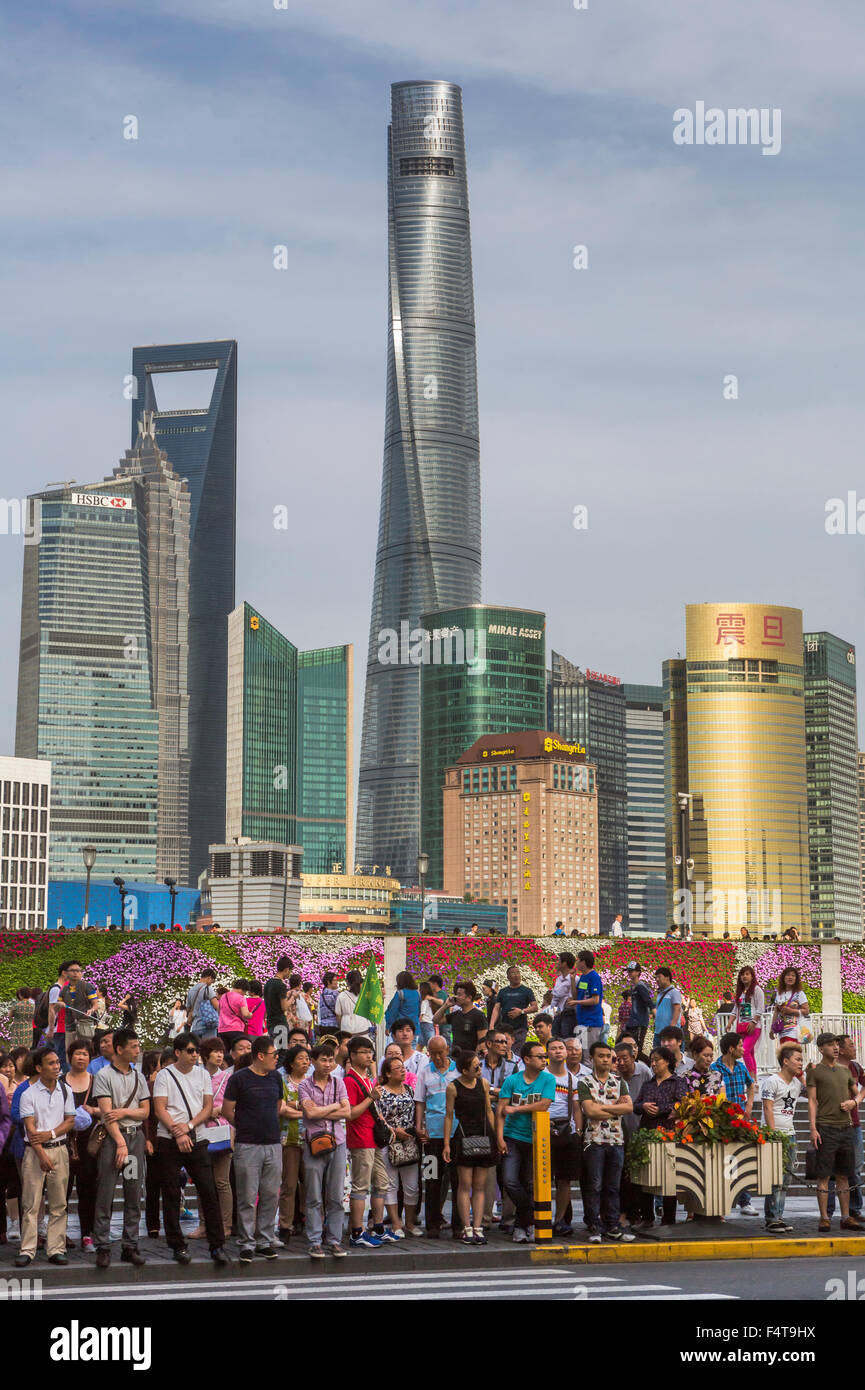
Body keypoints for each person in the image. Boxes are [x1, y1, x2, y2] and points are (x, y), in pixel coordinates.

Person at [152, 1033, 229, 1265]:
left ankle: (217, 1245)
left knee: (208, 1190)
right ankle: (177, 1244)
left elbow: (208, 1107)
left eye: (196, 1051)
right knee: (172, 1193)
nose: (195, 1054)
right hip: (169, 1139)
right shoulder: (164, 1075)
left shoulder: (203, 1074)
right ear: (178, 1052)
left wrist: (188, 1127)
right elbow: (160, 1108)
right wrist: (177, 1131)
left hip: (198, 1136)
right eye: (190, 1051)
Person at [222, 1035, 287, 1263]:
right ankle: (247, 1242)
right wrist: (245, 1125)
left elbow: (278, 1106)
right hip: (247, 1144)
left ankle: (264, 1240)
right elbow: (227, 1109)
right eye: (273, 1055)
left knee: (270, 1194)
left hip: (272, 1143)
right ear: (260, 1056)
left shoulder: (276, 1078)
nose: (276, 1059)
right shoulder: (239, 1078)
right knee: (247, 1196)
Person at [91, 1027, 151, 1268]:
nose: (137, 1050)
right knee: (105, 1193)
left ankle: (130, 1244)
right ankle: (103, 1246)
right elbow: (107, 1114)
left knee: (133, 1192)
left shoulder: (139, 1077)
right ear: (119, 1049)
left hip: (135, 1138)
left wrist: (125, 1111)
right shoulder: (104, 1075)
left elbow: (145, 1111)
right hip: (112, 1141)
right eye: (133, 1046)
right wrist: (120, 1143)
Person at [15, 1046, 75, 1268]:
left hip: (60, 1148)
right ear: (39, 1068)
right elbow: (30, 1129)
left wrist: (50, 1134)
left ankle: (56, 1249)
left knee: (59, 1204)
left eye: (58, 1062)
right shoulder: (28, 1094)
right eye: (51, 1063)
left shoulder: (65, 1090)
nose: (56, 1066)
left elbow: (70, 1121)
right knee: (31, 1204)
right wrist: (41, 1154)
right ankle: (27, 1250)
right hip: (33, 1152)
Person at [575, 1040, 634, 1243]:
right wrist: (614, 1107)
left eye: (609, 1056)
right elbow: (589, 1111)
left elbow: (629, 1108)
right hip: (594, 1141)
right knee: (595, 1185)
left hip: (616, 1140)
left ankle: (612, 1225)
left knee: (613, 1186)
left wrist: (602, 1107)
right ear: (592, 1058)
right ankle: (594, 1225)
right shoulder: (584, 1082)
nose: (606, 1060)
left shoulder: (620, 1082)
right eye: (601, 1056)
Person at [496, 1041, 556, 1243]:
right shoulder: (512, 1081)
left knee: (530, 1183)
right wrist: (499, 1137)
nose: (544, 1060)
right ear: (526, 1060)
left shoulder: (548, 1079)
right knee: (510, 1181)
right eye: (539, 1056)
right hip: (512, 1137)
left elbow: (544, 1105)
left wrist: (517, 1109)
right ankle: (530, 1214)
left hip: (537, 1138)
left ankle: (522, 1226)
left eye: (544, 1055)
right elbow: (501, 1111)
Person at [807, 1033, 864, 1233]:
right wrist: (813, 1128)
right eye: (830, 1045)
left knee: (844, 1175)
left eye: (836, 1045)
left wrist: (854, 1102)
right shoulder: (815, 1072)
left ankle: (846, 1216)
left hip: (846, 1127)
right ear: (821, 1048)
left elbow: (858, 1093)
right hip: (825, 1126)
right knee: (824, 1175)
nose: (835, 1048)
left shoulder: (845, 1070)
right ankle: (824, 1217)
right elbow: (812, 1101)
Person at [299, 1043, 351, 1257]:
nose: (327, 1064)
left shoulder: (339, 1084)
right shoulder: (305, 1085)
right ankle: (314, 1240)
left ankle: (334, 1240)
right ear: (313, 1061)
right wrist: (334, 1108)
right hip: (313, 1143)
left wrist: (322, 1111)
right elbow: (310, 1114)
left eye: (331, 1060)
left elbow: (347, 1111)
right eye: (323, 1060)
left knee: (336, 1195)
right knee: (313, 1195)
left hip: (337, 1142)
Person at [443, 1050, 497, 1245]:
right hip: (464, 1135)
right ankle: (466, 1227)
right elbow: (448, 1115)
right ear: (464, 1070)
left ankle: (477, 1226)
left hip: (483, 1134)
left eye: (479, 1065)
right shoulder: (453, 1087)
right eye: (476, 1066)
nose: (479, 1069)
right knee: (464, 1185)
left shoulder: (482, 1083)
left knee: (480, 1186)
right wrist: (447, 1144)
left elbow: (488, 1111)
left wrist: (495, 1136)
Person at [632, 1046, 688, 1228]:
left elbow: (682, 1104)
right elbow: (636, 1105)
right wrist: (644, 1107)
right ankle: (647, 1217)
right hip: (647, 1132)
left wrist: (661, 1110)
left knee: (668, 1177)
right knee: (645, 1176)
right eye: (652, 1060)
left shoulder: (677, 1082)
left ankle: (668, 1218)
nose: (653, 1064)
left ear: (667, 1062)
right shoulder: (648, 1084)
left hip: (668, 1134)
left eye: (657, 1060)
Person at [343, 1034, 388, 1248]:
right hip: (360, 1137)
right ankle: (356, 1231)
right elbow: (350, 1113)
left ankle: (378, 1227)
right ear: (352, 1055)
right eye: (364, 1051)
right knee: (360, 1185)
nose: (369, 1055)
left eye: (370, 1051)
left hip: (373, 1136)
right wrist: (371, 1097)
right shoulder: (350, 1080)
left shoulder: (366, 1077)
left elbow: (373, 1108)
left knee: (381, 1181)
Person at [415, 1035, 459, 1238]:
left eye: (440, 1052)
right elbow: (420, 1102)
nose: (437, 1057)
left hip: (457, 1134)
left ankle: (459, 1225)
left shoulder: (459, 1070)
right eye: (433, 1054)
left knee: (458, 1180)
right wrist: (419, 1126)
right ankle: (432, 1223)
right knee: (432, 1178)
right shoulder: (424, 1073)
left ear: (447, 1050)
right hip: (432, 1136)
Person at [190, 1038, 233, 1242]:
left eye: (221, 1051)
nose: (219, 1055)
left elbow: (233, 1105)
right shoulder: (195, 1076)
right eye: (215, 1052)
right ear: (205, 1055)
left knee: (222, 1181)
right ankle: (204, 1224)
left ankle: (225, 1225)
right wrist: (208, 1112)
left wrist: (217, 1111)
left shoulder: (227, 1078)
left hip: (222, 1131)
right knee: (202, 1181)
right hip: (200, 1131)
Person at [712, 1032, 758, 1216]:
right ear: (731, 1049)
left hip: (740, 1120)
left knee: (742, 1159)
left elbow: (751, 1084)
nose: (743, 1048)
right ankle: (723, 1200)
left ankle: (745, 1201)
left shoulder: (740, 1067)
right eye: (740, 1045)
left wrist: (749, 1104)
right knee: (723, 1160)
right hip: (722, 1122)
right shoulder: (715, 1067)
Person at [375, 1055, 421, 1238]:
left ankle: (409, 1222)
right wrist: (394, 1130)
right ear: (387, 1073)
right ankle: (396, 1223)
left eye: (403, 1067)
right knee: (391, 1184)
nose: (403, 1070)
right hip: (389, 1140)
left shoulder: (410, 1090)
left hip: (408, 1140)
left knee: (412, 1186)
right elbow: (378, 1117)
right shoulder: (380, 1092)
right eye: (397, 1068)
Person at [761, 1043, 804, 1233]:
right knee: (774, 1178)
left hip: (790, 1134)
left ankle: (779, 1216)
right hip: (774, 1134)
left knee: (786, 1179)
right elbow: (767, 1108)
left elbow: (812, 1090)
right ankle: (771, 1218)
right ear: (785, 1061)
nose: (800, 1063)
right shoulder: (772, 1081)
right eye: (797, 1059)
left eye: (801, 1060)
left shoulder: (796, 1083)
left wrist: (804, 1073)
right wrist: (773, 1134)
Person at [64, 1037, 100, 1251]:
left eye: (85, 1054)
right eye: (77, 1053)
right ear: (70, 1057)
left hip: (90, 1144)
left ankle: (87, 1234)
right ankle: (61, 1234)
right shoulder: (60, 1081)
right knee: (62, 1191)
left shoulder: (96, 1081)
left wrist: (93, 1111)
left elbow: (107, 1109)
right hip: (65, 1142)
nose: (81, 1057)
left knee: (88, 1190)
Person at [614, 1039, 651, 1229]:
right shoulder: (613, 1075)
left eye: (624, 1059)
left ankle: (639, 1215)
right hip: (618, 1134)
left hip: (639, 1132)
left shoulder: (644, 1071)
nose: (621, 1063)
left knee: (639, 1178)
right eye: (617, 1059)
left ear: (633, 1057)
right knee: (622, 1177)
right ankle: (623, 1214)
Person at [547, 1037, 582, 1236]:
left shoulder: (572, 1079)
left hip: (566, 1132)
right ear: (547, 1053)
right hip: (543, 1130)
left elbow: (577, 1108)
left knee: (564, 1180)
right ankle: (540, 1217)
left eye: (561, 1048)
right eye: (554, 1048)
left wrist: (578, 1131)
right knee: (541, 1178)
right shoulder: (541, 1076)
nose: (558, 1051)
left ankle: (560, 1220)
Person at [277, 1042, 309, 1242]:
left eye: (307, 1059)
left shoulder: (313, 1082)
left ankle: (311, 1222)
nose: (305, 1062)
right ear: (290, 1063)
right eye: (301, 1059)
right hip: (288, 1139)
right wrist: (306, 1111)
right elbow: (281, 1108)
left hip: (312, 1140)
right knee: (289, 1185)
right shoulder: (281, 1082)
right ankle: (285, 1226)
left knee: (311, 1185)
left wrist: (294, 1107)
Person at [488, 966, 537, 1053]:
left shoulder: (527, 991)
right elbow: (496, 1008)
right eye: (513, 973)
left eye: (518, 973)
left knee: (516, 1053)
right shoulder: (503, 992)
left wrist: (521, 1011)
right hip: (504, 1028)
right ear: (508, 977)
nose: (516, 975)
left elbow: (535, 1007)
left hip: (520, 1028)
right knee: (503, 1051)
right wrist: (491, 1026)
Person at [433, 981, 488, 1053]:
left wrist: (475, 1058)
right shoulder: (455, 1015)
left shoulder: (479, 1016)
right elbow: (436, 1020)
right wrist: (446, 1005)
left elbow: (482, 1041)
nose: (456, 997)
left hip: (470, 1058)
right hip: (456, 1058)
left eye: (459, 995)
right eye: (456, 994)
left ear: (469, 998)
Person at [731, 966, 765, 1079]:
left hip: (754, 1027)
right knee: (749, 1053)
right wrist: (729, 1022)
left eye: (747, 974)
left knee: (744, 1051)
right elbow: (735, 1009)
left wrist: (754, 1022)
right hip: (742, 1027)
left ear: (752, 976)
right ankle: (754, 1081)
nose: (744, 976)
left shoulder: (757, 990)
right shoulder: (740, 992)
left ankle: (751, 1079)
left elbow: (760, 1008)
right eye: (742, 974)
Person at [263, 955, 298, 1049]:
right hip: (280, 1023)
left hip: (270, 1023)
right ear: (286, 969)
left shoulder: (268, 983)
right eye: (290, 971)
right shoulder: (280, 985)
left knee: (275, 1050)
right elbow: (284, 1007)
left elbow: (274, 1000)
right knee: (281, 1052)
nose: (289, 974)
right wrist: (292, 997)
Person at [573, 951, 605, 1050]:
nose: (576, 963)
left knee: (588, 1057)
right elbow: (576, 995)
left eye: (578, 960)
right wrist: (572, 979)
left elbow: (595, 1000)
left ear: (584, 961)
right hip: (581, 1021)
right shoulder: (583, 977)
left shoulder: (594, 977)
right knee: (580, 1055)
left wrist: (577, 1002)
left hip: (592, 1023)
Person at [771, 968, 810, 1045]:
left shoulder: (799, 993)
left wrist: (791, 1011)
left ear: (796, 979)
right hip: (781, 1031)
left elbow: (806, 1011)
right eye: (788, 975)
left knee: (791, 1054)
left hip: (794, 1031)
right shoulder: (779, 994)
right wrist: (772, 1029)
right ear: (783, 978)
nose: (790, 977)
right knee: (785, 1055)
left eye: (793, 976)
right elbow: (776, 1012)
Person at [623, 963, 654, 1059]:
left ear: (638, 972)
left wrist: (655, 1013)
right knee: (629, 1049)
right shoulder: (633, 987)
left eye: (631, 971)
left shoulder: (640, 986)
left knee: (637, 1050)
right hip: (632, 1023)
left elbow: (648, 1001)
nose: (629, 973)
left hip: (640, 1023)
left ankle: (648, 1067)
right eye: (628, 971)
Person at [218, 979, 251, 1054]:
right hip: (236, 1028)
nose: (244, 994)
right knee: (238, 1052)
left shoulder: (223, 996)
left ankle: (227, 1065)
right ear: (242, 989)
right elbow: (245, 1014)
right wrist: (250, 1015)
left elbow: (219, 1011)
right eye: (245, 992)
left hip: (222, 1029)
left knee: (224, 1053)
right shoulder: (241, 998)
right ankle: (237, 1066)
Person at [385, 970, 421, 1039]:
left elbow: (393, 1012)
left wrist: (389, 1027)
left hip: (401, 1029)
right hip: (413, 1029)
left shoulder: (400, 993)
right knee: (411, 1048)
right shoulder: (417, 994)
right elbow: (418, 1011)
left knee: (399, 1049)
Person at [185, 969, 218, 1041]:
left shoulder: (191, 990)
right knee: (209, 1049)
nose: (211, 984)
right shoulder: (207, 988)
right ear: (209, 978)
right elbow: (216, 1005)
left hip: (195, 1026)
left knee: (198, 1050)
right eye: (211, 982)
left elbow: (188, 1008)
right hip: (208, 1024)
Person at [336, 970, 371, 1036]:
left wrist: (341, 1026)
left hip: (347, 1029)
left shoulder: (342, 996)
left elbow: (338, 1015)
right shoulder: (365, 995)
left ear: (347, 982)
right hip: (363, 1028)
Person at [550, 953, 577, 1040]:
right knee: (555, 1038)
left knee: (568, 1039)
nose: (557, 963)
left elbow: (577, 996)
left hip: (570, 1014)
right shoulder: (559, 979)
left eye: (559, 961)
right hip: (559, 1014)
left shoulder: (575, 979)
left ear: (564, 963)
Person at [317, 971, 339, 1039]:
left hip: (323, 1026)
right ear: (328, 982)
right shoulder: (335, 994)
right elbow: (338, 1011)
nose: (336, 982)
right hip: (333, 1026)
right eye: (334, 980)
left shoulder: (322, 994)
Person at [418, 982, 437, 1048]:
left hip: (425, 1024)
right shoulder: (429, 1001)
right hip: (429, 1023)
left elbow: (422, 1014)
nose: (418, 990)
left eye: (419, 989)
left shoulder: (424, 1002)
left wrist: (417, 1023)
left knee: (429, 1044)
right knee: (422, 1043)